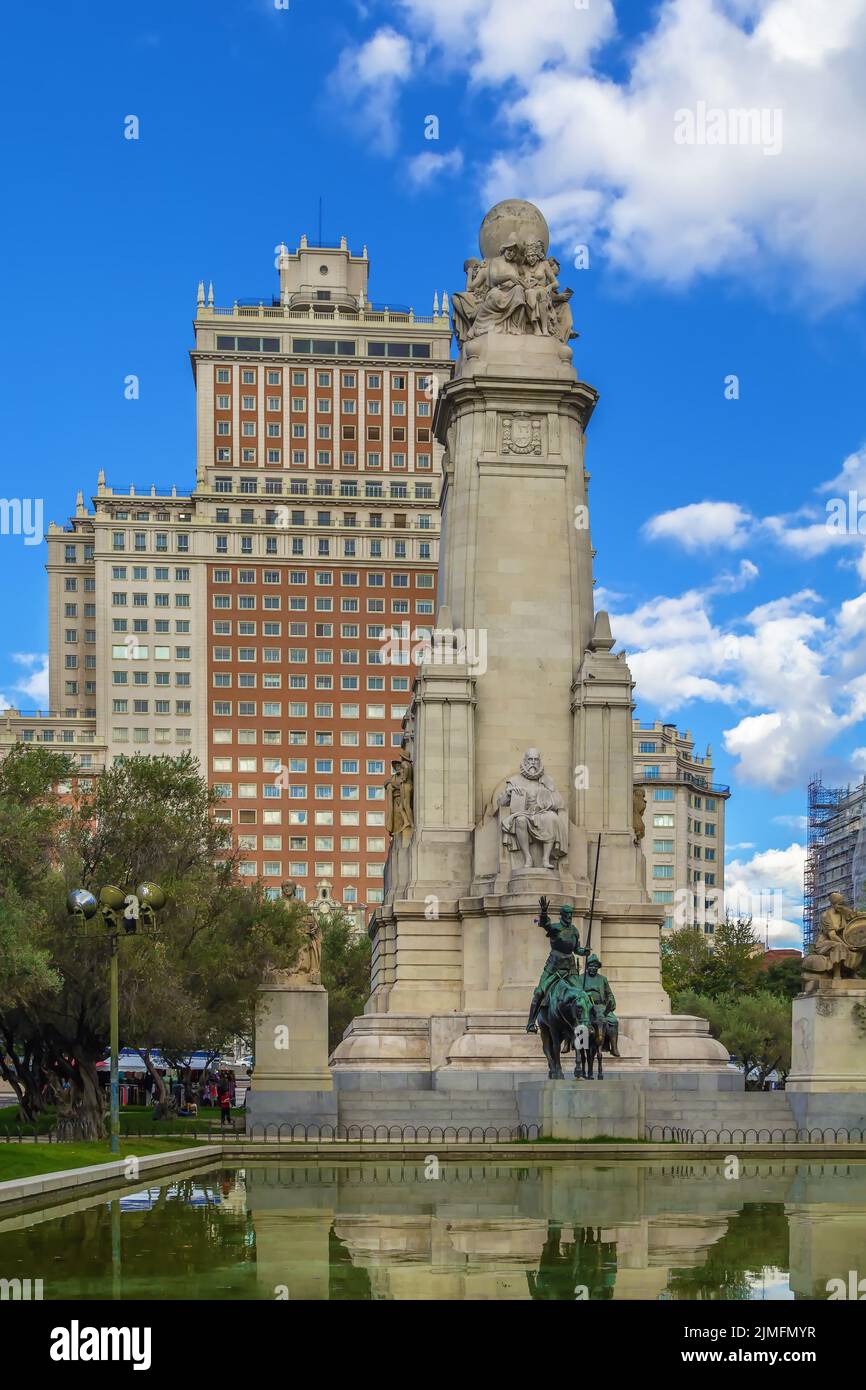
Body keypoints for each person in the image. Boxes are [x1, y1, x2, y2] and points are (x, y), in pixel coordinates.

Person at [526, 896, 589, 1033]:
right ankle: (531, 1022)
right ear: (562, 916)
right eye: (567, 914)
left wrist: (584, 951)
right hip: (553, 967)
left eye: (571, 914)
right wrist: (543, 913)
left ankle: (586, 1024)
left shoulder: (574, 931)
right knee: (539, 993)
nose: (569, 917)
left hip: (570, 968)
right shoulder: (555, 928)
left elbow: (576, 949)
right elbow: (544, 924)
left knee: (582, 995)